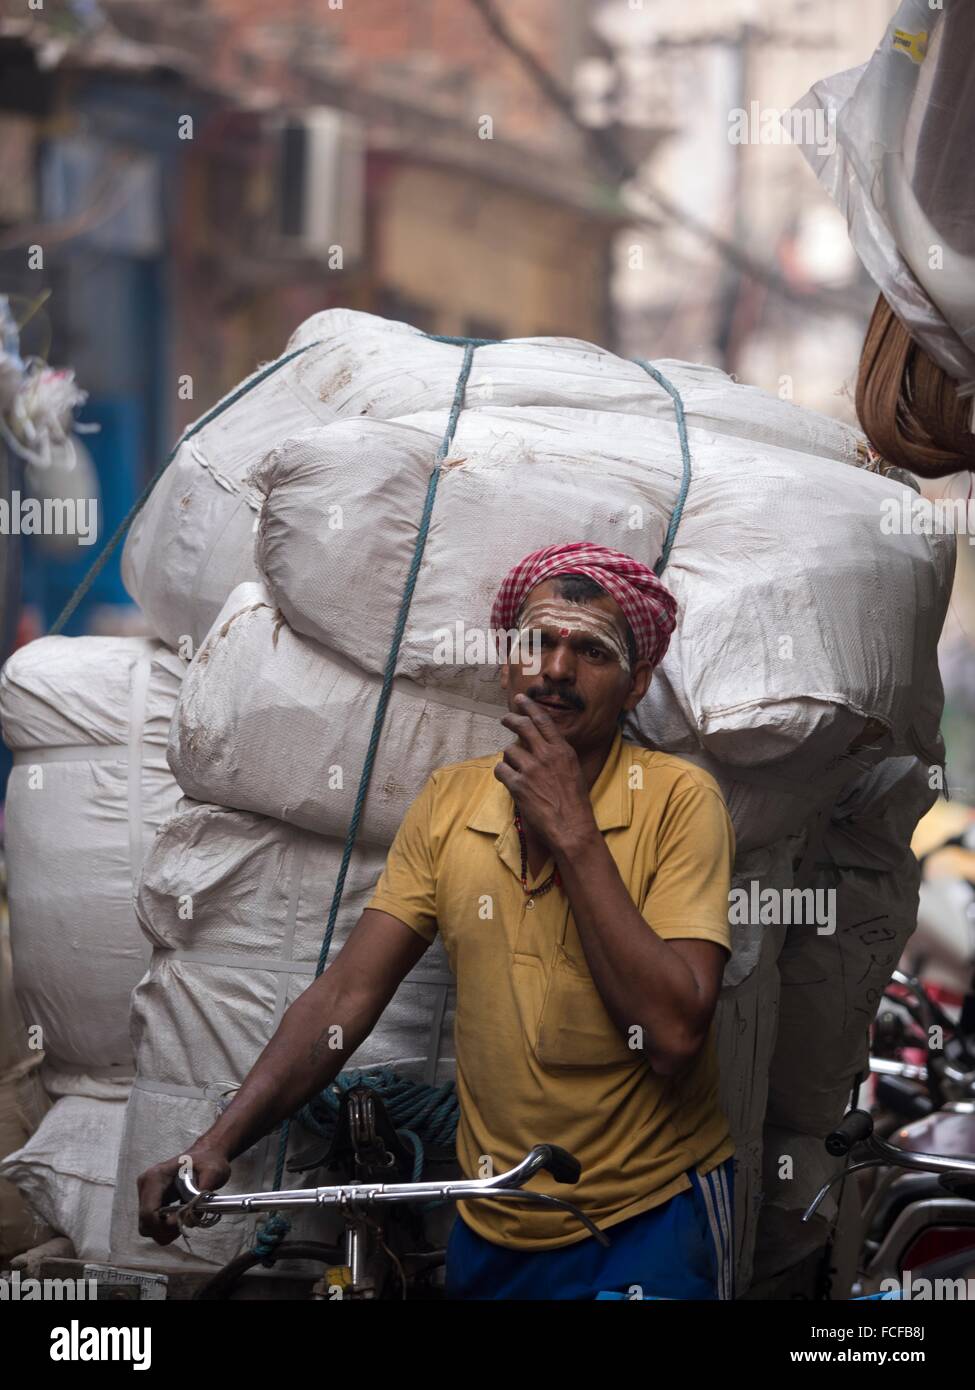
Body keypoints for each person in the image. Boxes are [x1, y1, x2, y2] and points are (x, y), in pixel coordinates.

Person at [138, 541, 737, 1300]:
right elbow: (343, 998)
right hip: (493, 1218)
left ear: (635, 683)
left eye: (590, 651)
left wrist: (573, 833)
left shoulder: (680, 802)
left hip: (648, 1221)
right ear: (506, 663)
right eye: (537, 644)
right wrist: (214, 1148)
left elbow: (673, 1037)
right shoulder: (451, 803)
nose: (555, 669)